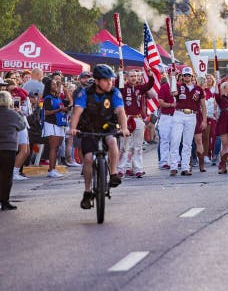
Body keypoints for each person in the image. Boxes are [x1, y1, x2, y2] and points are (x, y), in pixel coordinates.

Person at [69, 64, 129, 210]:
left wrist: (124, 128)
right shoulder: (85, 93)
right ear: (96, 81)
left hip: (107, 125)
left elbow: (120, 111)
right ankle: (87, 191)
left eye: (111, 80)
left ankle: (113, 173)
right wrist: (73, 128)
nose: (110, 82)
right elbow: (77, 112)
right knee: (88, 158)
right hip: (88, 128)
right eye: (106, 80)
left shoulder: (114, 92)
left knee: (112, 141)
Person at [118, 66, 154, 178]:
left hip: (138, 119)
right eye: (132, 76)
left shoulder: (140, 88)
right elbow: (116, 85)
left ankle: (138, 168)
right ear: (127, 77)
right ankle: (121, 169)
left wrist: (150, 75)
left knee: (137, 145)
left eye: (136, 76)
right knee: (124, 145)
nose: (134, 78)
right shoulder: (123, 87)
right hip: (126, 119)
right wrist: (119, 74)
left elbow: (150, 85)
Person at [171, 67, 206, 176]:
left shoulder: (199, 89)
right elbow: (173, 93)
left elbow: (203, 106)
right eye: (185, 75)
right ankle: (173, 166)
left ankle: (185, 167)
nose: (187, 77)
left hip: (192, 115)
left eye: (188, 75)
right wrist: (172, 77)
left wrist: (204, 120)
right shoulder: (178, 86)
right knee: (175, 140)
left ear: (192, 76)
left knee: (188, 142)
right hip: (179, 113)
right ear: (182, 76)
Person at [0, 91, 26, 210]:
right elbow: (22, 126)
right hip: (8, 148)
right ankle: (5, 201)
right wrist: (19, 113)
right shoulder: (13, 114)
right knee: (7, 176)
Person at [41, 77, 68, 178]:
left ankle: (53, 169)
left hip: (59, 123)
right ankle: (51, 170)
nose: (55, 86)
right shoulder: (48, 98)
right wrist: (58, 110)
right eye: (53, 84)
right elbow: (46, 112)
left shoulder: (57, 97)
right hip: (51, 124)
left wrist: (66, 91)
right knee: (53, 147)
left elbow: (70, 102)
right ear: (48, 86)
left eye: (56, 84)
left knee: (57, 147)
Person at [156, 72, 176, 169]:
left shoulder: (179, 87)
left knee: (176, 140)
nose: (173, 77)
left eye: (175, 75)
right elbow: (160, 102)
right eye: (171, 75)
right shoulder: (164, 87)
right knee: (165, 140)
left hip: (177, 116)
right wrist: (171, 105)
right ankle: (163, 161)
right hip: (166, 116)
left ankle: (175, 160)